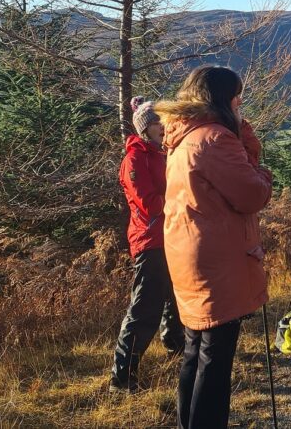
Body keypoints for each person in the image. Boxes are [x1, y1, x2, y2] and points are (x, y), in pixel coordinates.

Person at [156, 66, 274, 429]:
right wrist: (256, 156)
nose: (241, 102)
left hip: (188, 253)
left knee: (196, 350)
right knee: (215, 357)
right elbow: (253, 194)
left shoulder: (183, 136)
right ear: (225, 98)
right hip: (217, 259)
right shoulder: (215, 139)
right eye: (238, 95)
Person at [108, 97, 184, 392]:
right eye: (157, 123)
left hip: (172, 236)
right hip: (150, 240)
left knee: (176, 297)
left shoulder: (163, 153)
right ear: (145, 128)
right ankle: (123, 376)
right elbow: (148, 203)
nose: (163, 127)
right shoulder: (135, 159)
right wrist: (182, 201)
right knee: (145, 308)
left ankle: (176, 348)